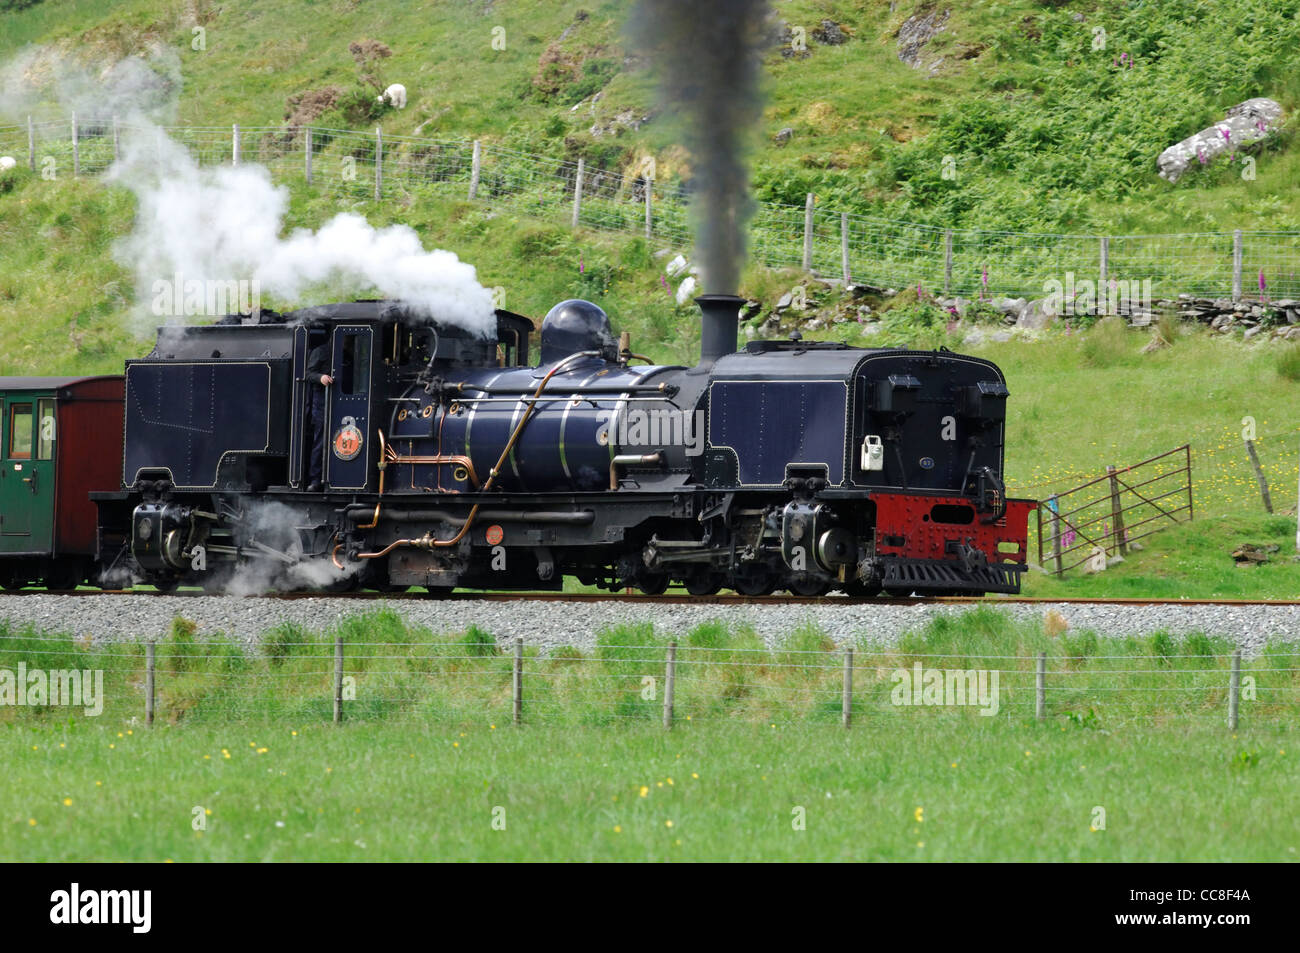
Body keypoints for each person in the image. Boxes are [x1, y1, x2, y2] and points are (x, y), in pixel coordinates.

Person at [306, 342, 333, 491]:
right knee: (321, 441)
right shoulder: (320, 351)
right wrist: (321, 377)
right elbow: (308, 373)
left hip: (339, 401)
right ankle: (315, 479)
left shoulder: (348, 353)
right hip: (322, 402)